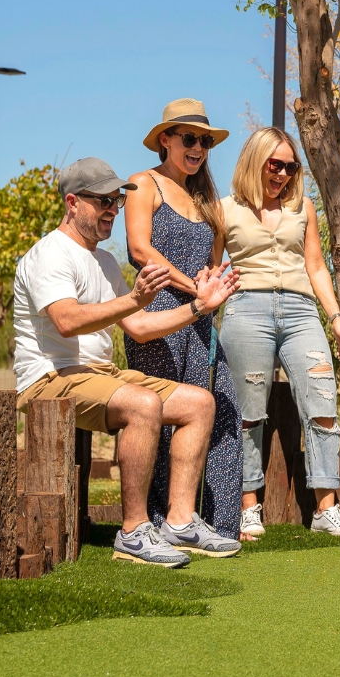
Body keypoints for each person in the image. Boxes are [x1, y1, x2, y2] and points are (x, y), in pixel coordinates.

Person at [13, 157, 243, 568]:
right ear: (71, 203)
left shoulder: (102, 262)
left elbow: (136, 326)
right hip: (50, 378)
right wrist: (132, 299)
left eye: (117, 201)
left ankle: (179, 522)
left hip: (99, 376)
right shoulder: (50, 254)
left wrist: (198, 306)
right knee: (143, 403)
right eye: (102, 201)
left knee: (200, 404)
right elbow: (66, 321)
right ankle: (134, 531)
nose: (113, 210)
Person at [218, 126, 340, 539]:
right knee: (248, 412)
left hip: (300, 312)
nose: (281, 174)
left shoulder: (303, 207)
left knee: (323, 401)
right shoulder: (225, 209)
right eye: (273, 165)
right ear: (254, 162)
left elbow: (315, 266)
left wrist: (336, 317)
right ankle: (248, 507)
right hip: (247, 309)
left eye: (289, 167)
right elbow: (213, 268)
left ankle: (325, 510)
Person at [124, 98, 243, 540]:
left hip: (200, 321)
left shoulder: (207, 200)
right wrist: (191, 289)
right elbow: (140, 250)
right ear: (166, 140)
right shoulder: (143, 183)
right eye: (189, 138)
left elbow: (212, 262)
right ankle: (158, 521)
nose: (198, 148)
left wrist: (210, 285)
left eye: (205, 141)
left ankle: (215, 521)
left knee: (221, 410)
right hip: (158, 316)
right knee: (161, 415)